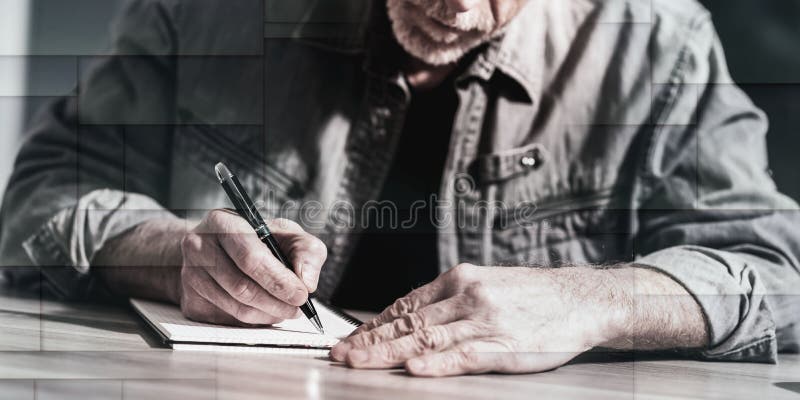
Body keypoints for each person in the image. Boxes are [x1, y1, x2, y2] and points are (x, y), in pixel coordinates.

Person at [1, 0, 799, 377]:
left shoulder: (656, 44)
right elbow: (40, 194)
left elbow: (779, 273)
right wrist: (169, 255)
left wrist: (592, 301)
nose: (456, 7)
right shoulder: (206, 12)